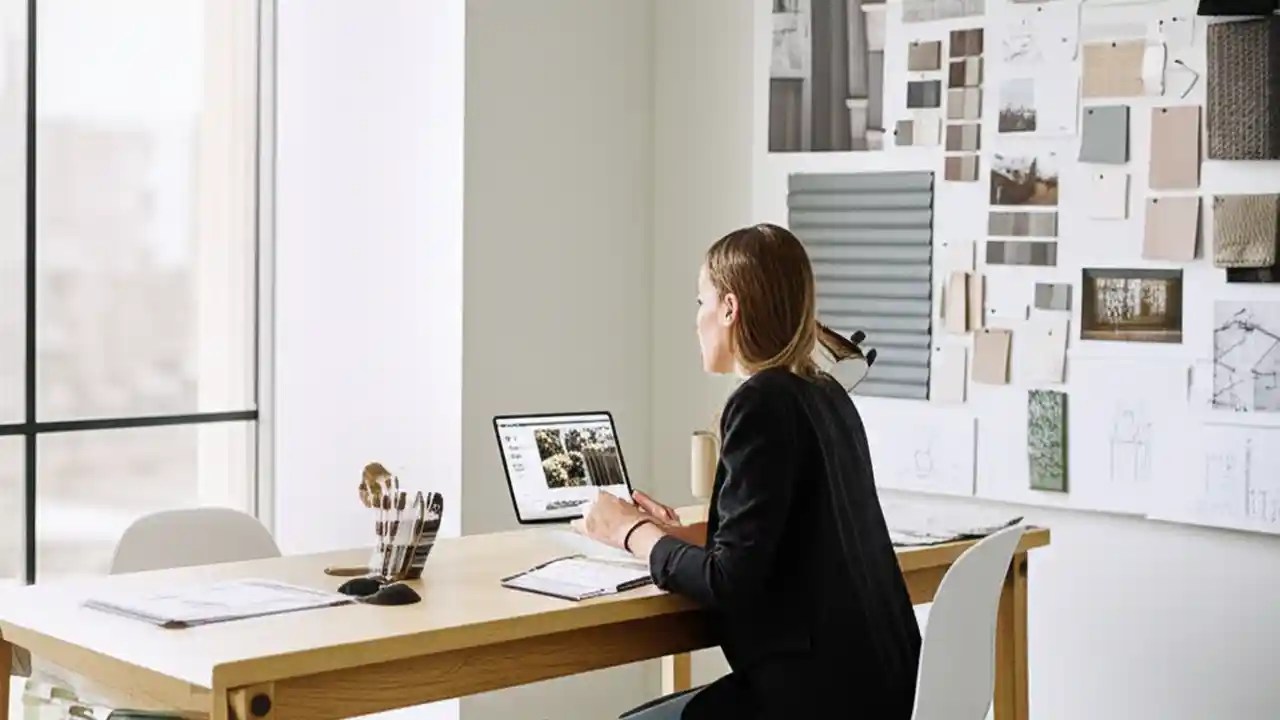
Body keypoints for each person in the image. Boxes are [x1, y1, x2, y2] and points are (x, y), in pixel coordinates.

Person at [574, 223, 922, 719]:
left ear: (730, 308)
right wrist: (679, 533)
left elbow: (728, 582)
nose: (697, 319)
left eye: (701, 302)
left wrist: (631, 532)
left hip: (819, 700)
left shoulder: (762, 402)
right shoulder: (825, 396)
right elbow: (785, 535)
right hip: (884, 690)